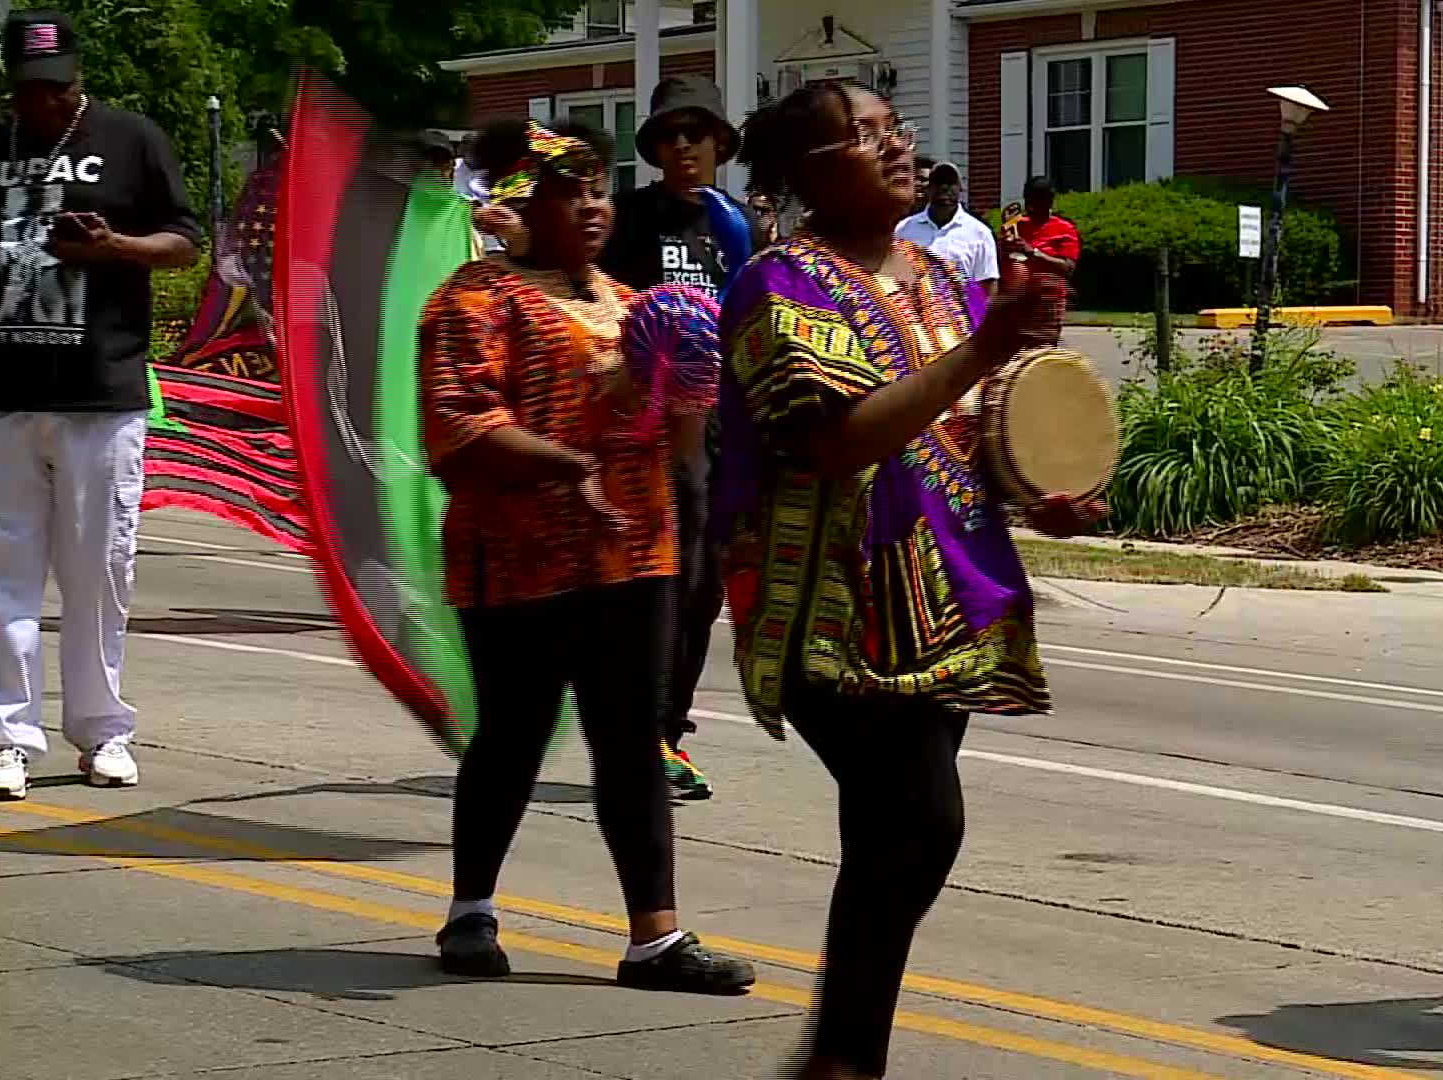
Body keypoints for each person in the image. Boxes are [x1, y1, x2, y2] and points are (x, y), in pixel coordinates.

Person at [723, 81, 1103, 1079]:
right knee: (921, 825)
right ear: (810, 175)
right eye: (866, 136)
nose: (897, 147)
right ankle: (840, 1061)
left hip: (947, 603)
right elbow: (833, 442)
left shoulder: (939, 275)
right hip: (834, 614)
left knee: (889, 842)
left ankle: (843, 1061)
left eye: (897, 129)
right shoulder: (779, 282)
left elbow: (959, 431)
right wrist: (986, 342)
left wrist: (1039, 492)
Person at [418, 116, 754, 994]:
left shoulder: (633, 306)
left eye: (603, 188)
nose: (598, 205)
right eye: (577, 190)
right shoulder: (473, 300)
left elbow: (684, 433)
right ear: (527, 201)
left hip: (633, 555)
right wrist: (572, 465)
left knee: (630, 742)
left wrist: (689, 382)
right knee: (515, 734)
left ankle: (655, 939)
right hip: (515, 558)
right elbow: (459, 427)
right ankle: (470, 912)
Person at [0, 10, 201, 800]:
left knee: (98, 571)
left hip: (100, 390)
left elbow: (183, 239)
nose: (45, 103)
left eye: (59, 87)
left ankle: (103, 730)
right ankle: (6, 735)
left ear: (80, 78)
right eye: (31, 90)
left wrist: (115, 249)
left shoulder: (131, 138)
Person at [599, 74, 749, 802]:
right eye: (670, 135)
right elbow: (591, 305)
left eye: (697, 133)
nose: (684, 146)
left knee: (703, 589)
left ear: (721, 142)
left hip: (720, 432)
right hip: (646, 432)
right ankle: (641, 730)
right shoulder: (628, 219)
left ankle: (667, 730)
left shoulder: (738, 227)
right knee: (655, 584)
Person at [894, 160, 1000, 296]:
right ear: (929, 189)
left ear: (960, 189)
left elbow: (987, 285)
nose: (944, 188)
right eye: (938, 183)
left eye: (950, 183)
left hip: (960, 314)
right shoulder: (904, 229)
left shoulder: (980, 233)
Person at [1003, 176, 1080, 345]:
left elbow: (1068, 268)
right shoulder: (1017, 226)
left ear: (1050, 201)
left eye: (1037, 201)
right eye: (1028, 200)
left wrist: (1034, 253)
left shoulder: (1065, 229)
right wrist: (1005, 246)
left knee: (1041, 352)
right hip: (1016, 299)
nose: (1030, 206)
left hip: (1048, 302)